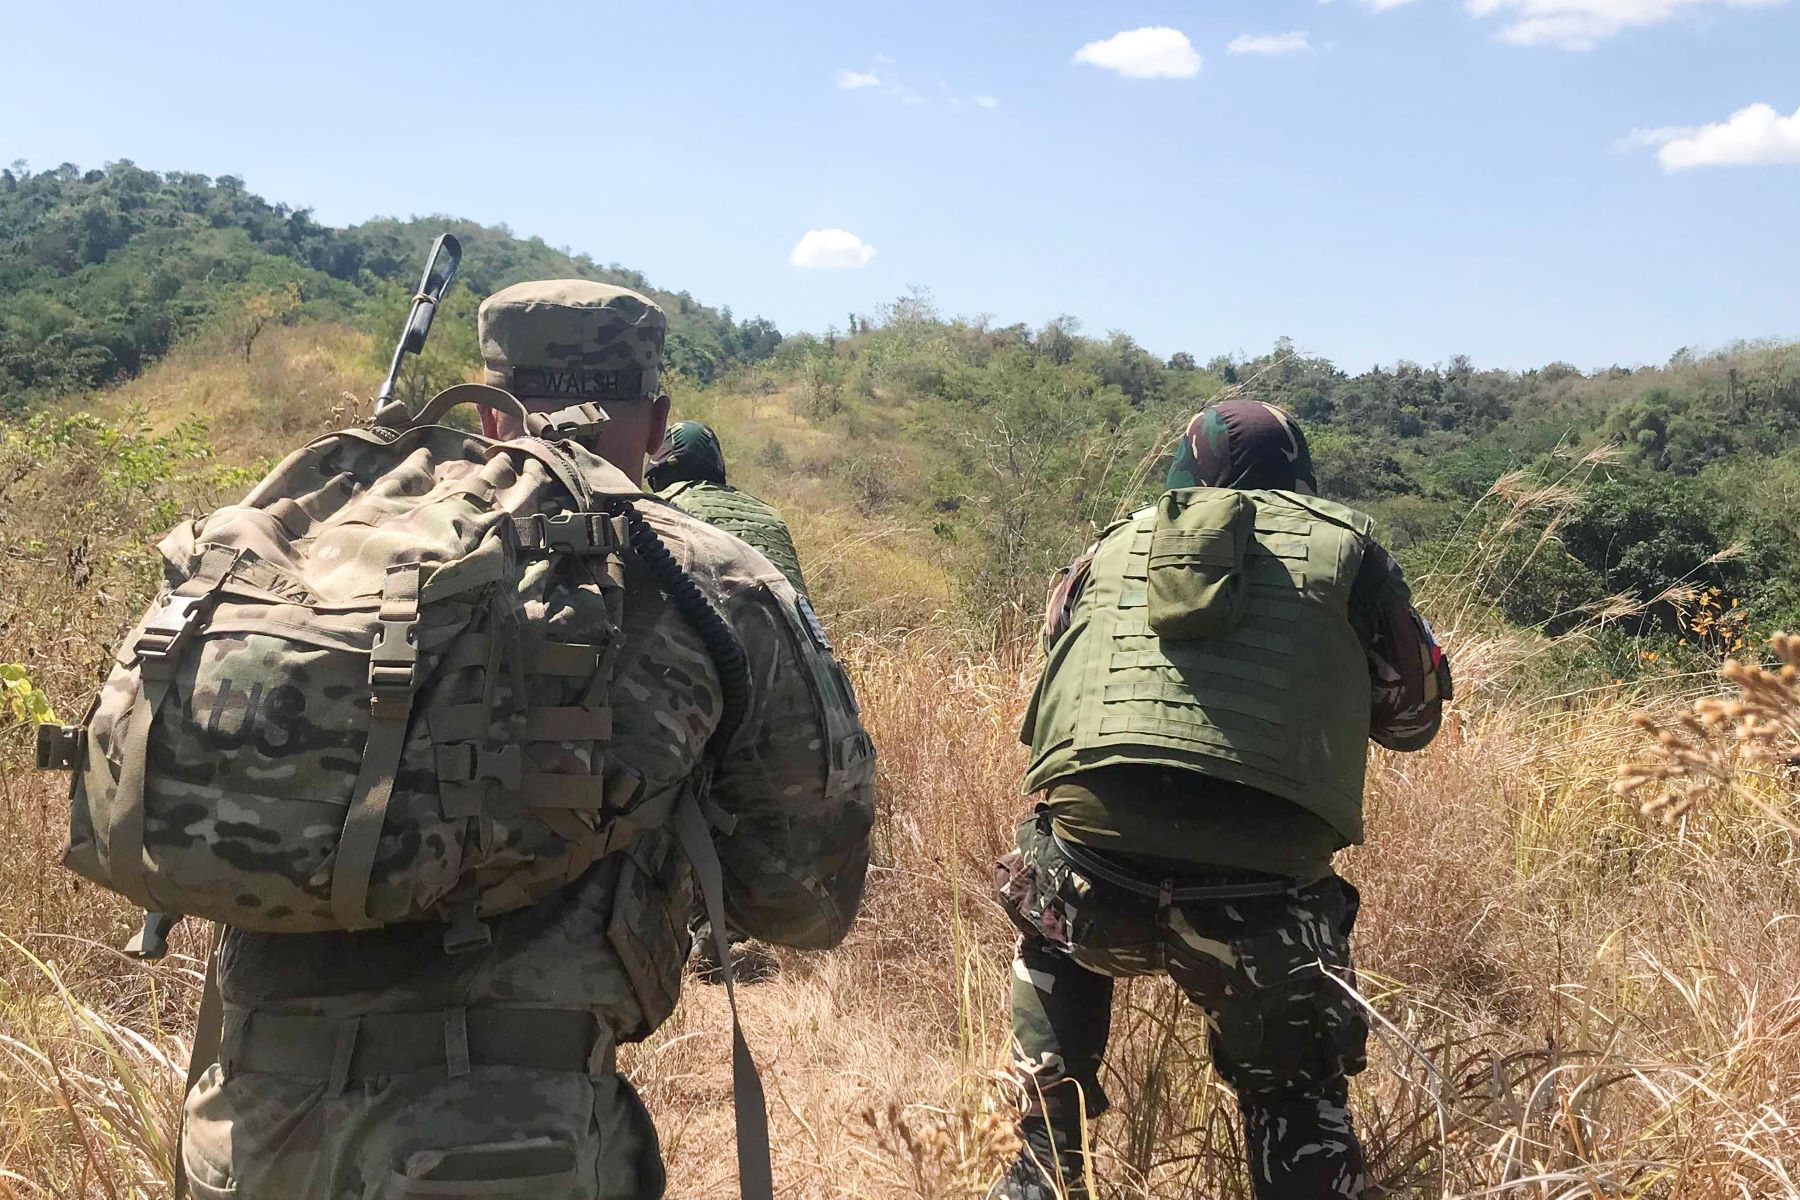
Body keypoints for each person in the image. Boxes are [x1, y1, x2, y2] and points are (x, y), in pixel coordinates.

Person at [178, 280, 877, 1199]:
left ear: (492, 403)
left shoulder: (317, 536)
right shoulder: (711, 580)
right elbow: (806, 902)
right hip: (509, 1148)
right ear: (657, 420)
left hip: (242, 1132)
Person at [988, 400, 1452, 1200]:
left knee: (1052, 931)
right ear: (1298, 473)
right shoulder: (1353, 553)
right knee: (1296, 1100)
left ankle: (1043, 1155)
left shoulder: (1111, 544)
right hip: (1261, 905)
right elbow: (1414, 721)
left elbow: (1059, 660)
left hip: (1093, 884)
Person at [647, 421, 810, 597]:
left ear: (657, 475)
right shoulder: (770, 514)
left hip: (722, 621)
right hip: (800, 622)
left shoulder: (664, 508)